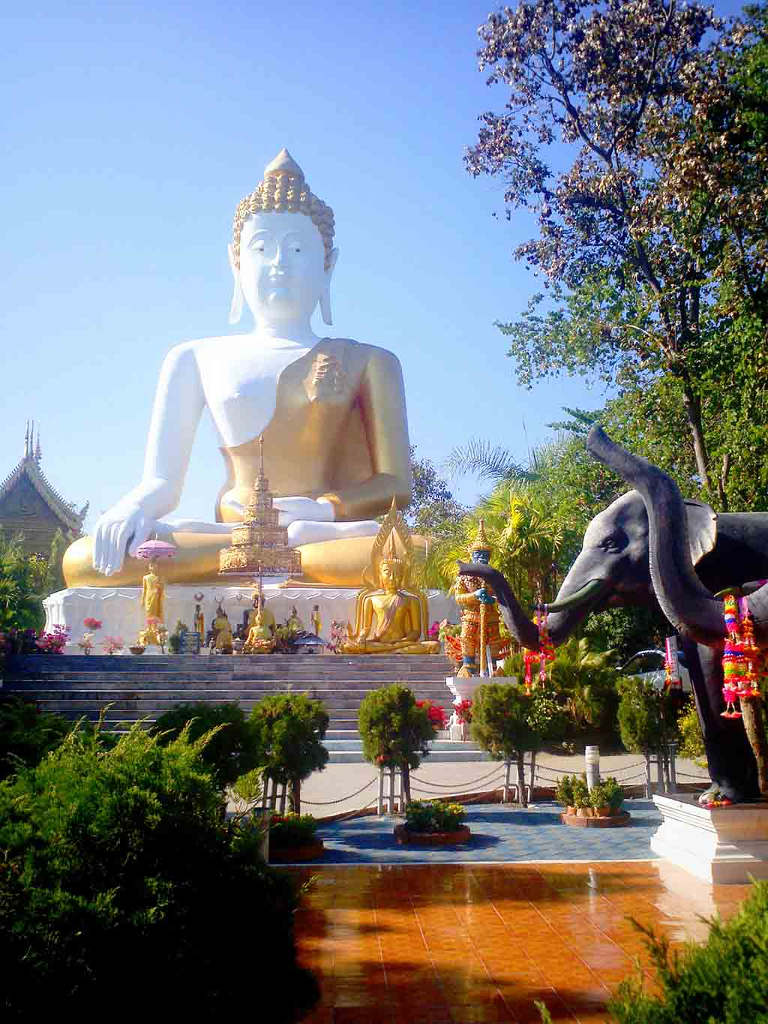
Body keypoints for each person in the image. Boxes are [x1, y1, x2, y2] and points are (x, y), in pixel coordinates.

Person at [62, 150, 415, 588]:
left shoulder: (371, 361)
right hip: (235, 533)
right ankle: (280, 555)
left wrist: (323, 508)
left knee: (413, 553)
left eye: (299, 248)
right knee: (85, 559)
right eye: (262, 247)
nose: (279, 263)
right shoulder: (193, 357)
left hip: (326, 530)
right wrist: (132, 508)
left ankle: (286, 550)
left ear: (328, 264)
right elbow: (162, 483)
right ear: (235, 261)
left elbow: (397, 484)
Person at [343, 533, 440, 655]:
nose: (393, 577)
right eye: (388, 573)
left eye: (398, 574)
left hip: (402, 642)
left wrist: (403, 640)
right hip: (380, 642)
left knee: (434, 645)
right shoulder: (371, 600)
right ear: (379, 576)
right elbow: (366, 628)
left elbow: (416, 631)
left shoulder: (411, 600)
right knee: (348, 646)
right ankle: (394, 651)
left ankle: (391, 650)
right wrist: (362, 636)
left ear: (403, 576)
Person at [455, 521, 503, 677]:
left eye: (485, 555)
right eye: (478, 554)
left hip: (490, 616)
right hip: (471, 616)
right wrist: (474, 596)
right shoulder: (464, 576)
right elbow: (458, 597)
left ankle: (492, 666)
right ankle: (468, 666)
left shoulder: (495, 575)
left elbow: (503, 596)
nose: (482, 557)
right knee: (467, 638)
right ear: (472, 556)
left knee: (494, 641)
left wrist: (493, 600)